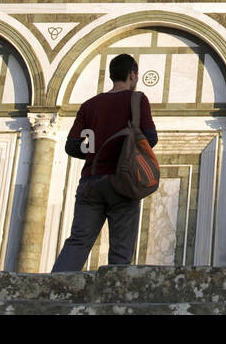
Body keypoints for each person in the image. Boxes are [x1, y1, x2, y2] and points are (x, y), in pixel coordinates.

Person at [51, 53, 157, 272]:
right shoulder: (137, 100)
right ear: (132, 75)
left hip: (91, 182)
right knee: (121, 249)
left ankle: (56, 285)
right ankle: (114, 291)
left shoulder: (89, 105)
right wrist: (125, 151)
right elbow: (150, 138)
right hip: (123, 181)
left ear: (111, 75)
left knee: (78, 241)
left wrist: (95, 152)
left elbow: (72, 145)